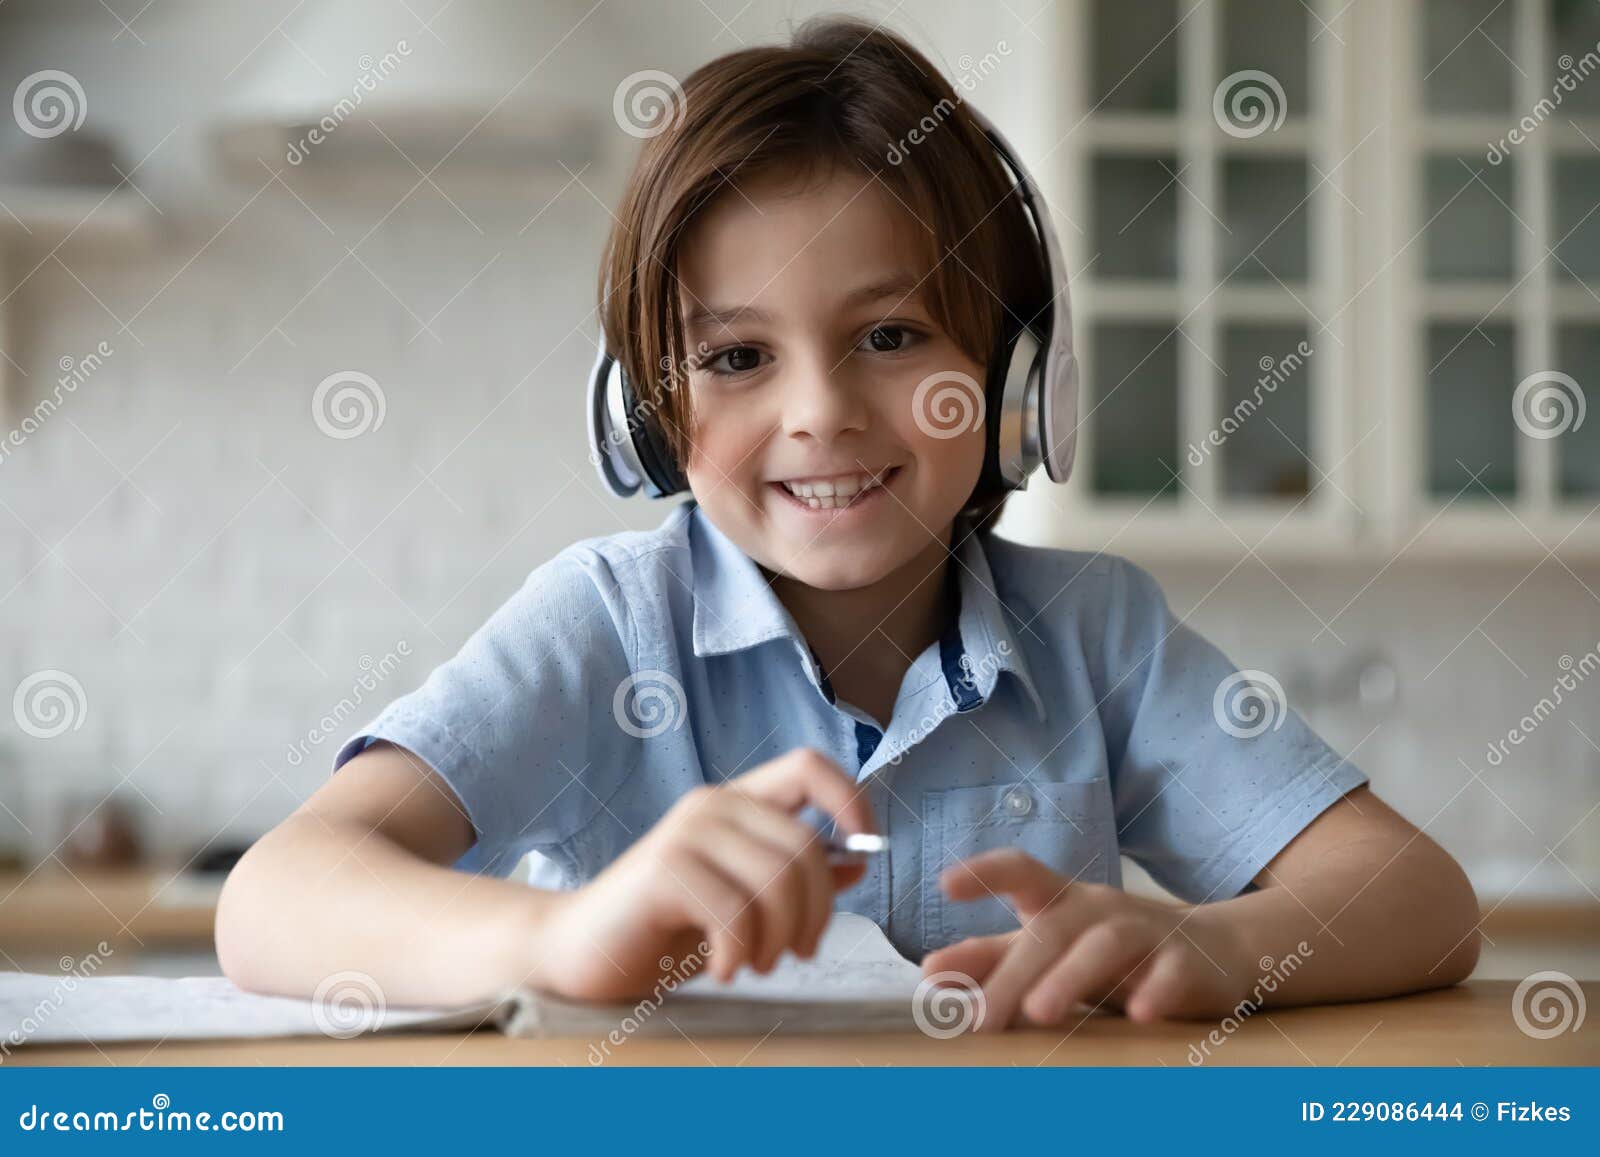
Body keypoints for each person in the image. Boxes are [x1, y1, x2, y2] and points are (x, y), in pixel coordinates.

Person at [217, 15, 1479, 1032]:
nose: (818, 414)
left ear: (1017, 383)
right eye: (737, 357)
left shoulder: (1100, 636)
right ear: (649, 414)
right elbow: (273, 900)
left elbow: (1421, 899)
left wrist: (1209, 941)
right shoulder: (604, 625)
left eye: (890, 337)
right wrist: (562, 934)